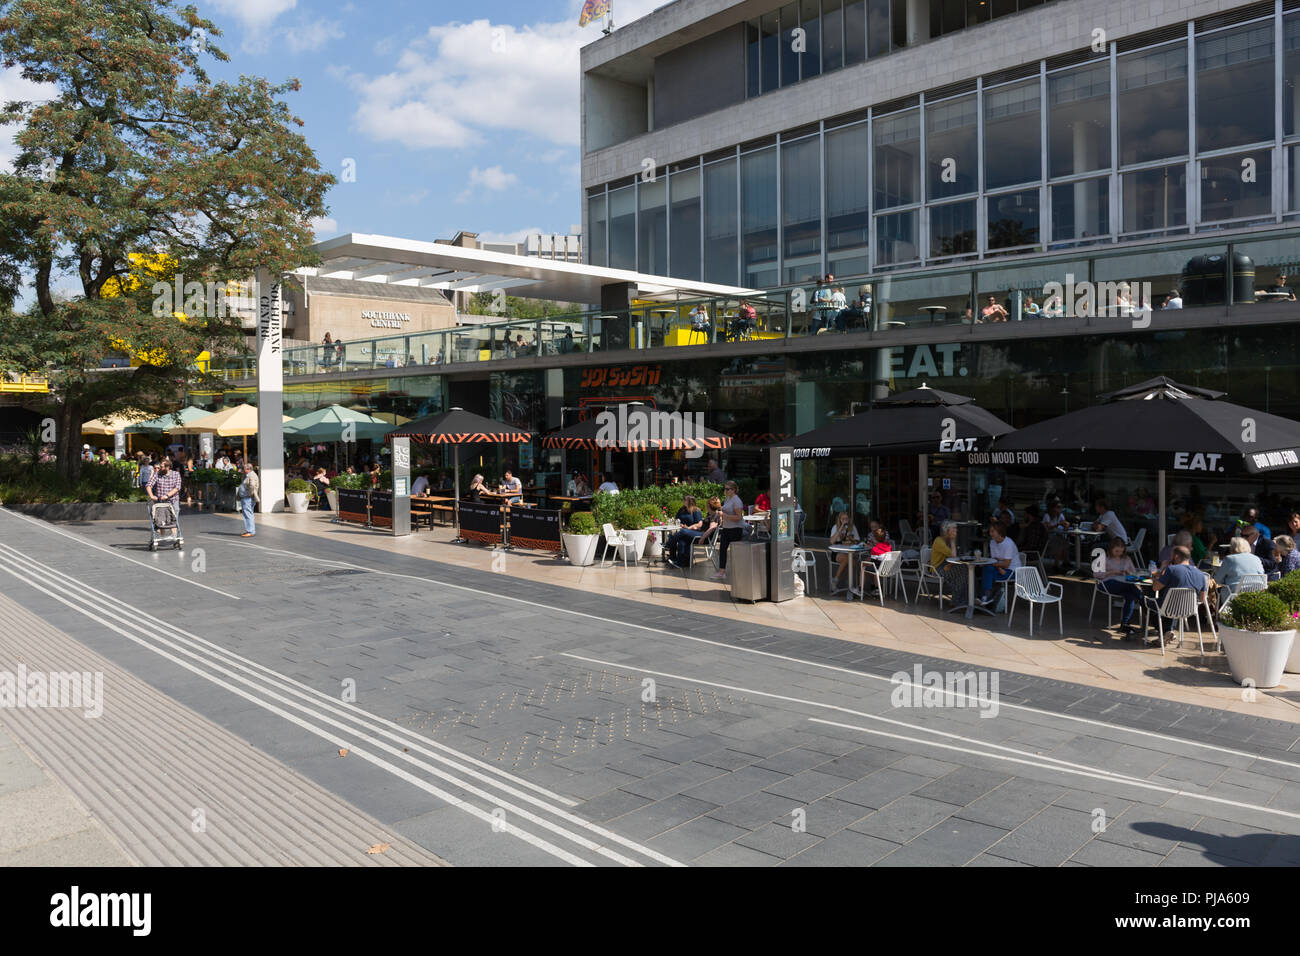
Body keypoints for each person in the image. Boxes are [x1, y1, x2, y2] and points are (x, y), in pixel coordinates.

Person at [1150, 545, 1208, 639]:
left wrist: (1159, 572)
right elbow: (1201, 599)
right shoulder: (1200, 574)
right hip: (1189, 610)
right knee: (1171, 604)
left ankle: (1165, 631)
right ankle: (1168, 631)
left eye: (1171, 555)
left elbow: (1155, 588)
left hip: (1168, 608)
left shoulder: (1172, 569)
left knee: (1144, 600)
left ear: (1176, 556)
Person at [1096, 537, 1142, 636]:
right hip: (1107, 583)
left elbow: (1134, 573)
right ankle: (1143, 600)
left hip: (1123, 584)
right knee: (1132, 589)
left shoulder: (1126, 559)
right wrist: (1112, 572)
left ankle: (1125, 624)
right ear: (1111, 549)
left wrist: (1128, 573)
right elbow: (1096, 575)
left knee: (1130, 596)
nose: (1119, 553)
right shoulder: (1104, 558)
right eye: (1116, 551)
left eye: (1121, 551)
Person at [711, 480, 746, 581]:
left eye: (727, 489)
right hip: (726, 528)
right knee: (722, 550)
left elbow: (739, 517)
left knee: (735, 552)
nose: (725, 491)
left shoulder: (737, 501)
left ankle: (738, 571)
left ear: (733, 490)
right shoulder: (728, 498)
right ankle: (722, 572)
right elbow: (725, 510)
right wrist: (719, 511)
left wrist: (724, 515)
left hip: (735, 529)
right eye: (725, 489)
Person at [980, 522, 1021, 606]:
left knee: (987, 569)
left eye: (992, 531)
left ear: (1000, 532)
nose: (990, 533)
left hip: (1012, 571)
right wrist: (998, 567)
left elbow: (1006, 564)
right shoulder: (992, 542)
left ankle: (986, 596)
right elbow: (994, 559)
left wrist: (995, 565)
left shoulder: (1008, 543)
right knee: (984, 569)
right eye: (990, 531)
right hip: (1001, 569)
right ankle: (986, 596)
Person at [929, 521, 968, 606]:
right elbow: (953, 557)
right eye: (953, 528)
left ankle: (965, 599)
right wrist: (953, 541)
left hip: (944, 565)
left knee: (964, 569)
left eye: (956, 528)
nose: (956, 530)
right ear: (946, 530)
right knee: (962, 571)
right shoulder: (939, 541)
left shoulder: (945, 540)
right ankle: (958, 600)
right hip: (937, 569)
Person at [147, 457, 183, 543]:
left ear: (168, 467)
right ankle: (161, 538)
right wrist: (151, 495)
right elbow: (149, 485)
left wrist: (167, 495)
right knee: (160, 520)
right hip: (160, 502)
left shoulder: (176, 474)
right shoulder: (157, 474)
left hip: (172, 500)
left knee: (173, 519)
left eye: (162, 467)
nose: (159, 468)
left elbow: (177, 487)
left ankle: (174, 537)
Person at [663, 495, 706, 568]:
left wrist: (688, 528)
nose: (683, 501)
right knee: (682, 541)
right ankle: (678, 561)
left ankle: (668, 545)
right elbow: (676, 519)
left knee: (677, 536)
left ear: (690, 501)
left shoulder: (696, 511)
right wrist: (681, 525)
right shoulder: (682, 509)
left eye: (685, 500)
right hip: (682, 531)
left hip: (693, 531)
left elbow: (699, 524)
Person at [827, 510, 861, 591]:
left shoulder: (852, 527)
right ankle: (836, 581)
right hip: (837, 552)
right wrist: (841, 527)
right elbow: (831, 541)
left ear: (849, 519)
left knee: (853, 561)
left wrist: (851, 539)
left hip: (850, 551)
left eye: (846, 518)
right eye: (843, 519)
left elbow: (857, 541)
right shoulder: (835, 527)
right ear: (839, 519)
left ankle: (849, 583)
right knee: (847, 559)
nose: (845, 520)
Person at [236, 460, 259, 537]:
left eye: (244, 469)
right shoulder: (248, 475)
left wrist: (248, 494)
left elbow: (252, 486)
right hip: (246, 498)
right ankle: (250, 530)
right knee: (249, 514)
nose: (243, 470)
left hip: (247, 498)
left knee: (248, 514)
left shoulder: (251, 475)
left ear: (248, 469)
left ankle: (250, 531)